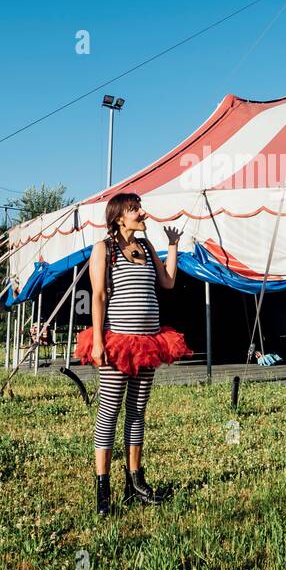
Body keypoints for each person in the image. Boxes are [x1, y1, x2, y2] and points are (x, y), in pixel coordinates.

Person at [75, 192, 191, 516]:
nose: (142, 212)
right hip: (118, 343)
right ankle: (103, 486)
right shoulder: (105, 249)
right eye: (134, 209)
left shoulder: (145, 247)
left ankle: (135, 479)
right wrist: (98, 341)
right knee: (109, 412)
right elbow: (98, 296)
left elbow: (167, 282)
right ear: (118, 217)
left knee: (137, 410)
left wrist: (172, 246)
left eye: (139, 207)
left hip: (149, 343)